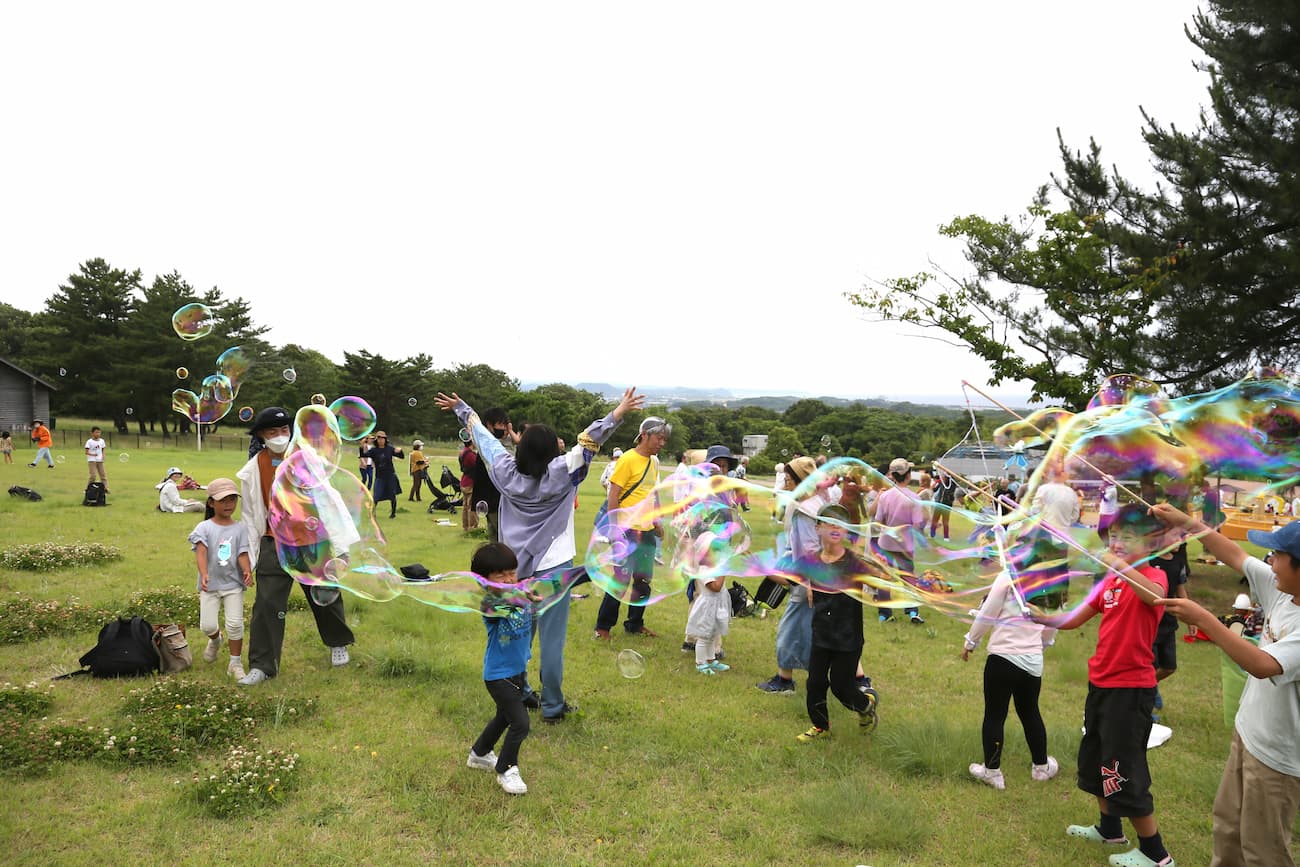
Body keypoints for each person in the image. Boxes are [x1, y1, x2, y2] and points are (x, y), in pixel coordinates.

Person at [437, 386, 641, 724]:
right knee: (552, 641)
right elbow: (590, 440)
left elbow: (485, 439)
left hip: (513, 569)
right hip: (554, 567)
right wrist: (618, 412)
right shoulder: (563, 472)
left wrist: (462, 407)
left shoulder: (504, 470)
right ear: (551, 452)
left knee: (518, 632)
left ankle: (520, 691)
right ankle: (552, 705)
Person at [1149, 505, 1300, 867]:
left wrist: (1205, 620)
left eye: (1278, 555)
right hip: (1248, 735)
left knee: (1264, 851)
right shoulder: (1283, 591)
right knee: (1228, 830)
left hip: (1278, 760)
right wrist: (1188, 524)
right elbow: (1233, 554)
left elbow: (1263, 665)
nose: (1270, 560)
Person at [1038, 504, 1174, 867]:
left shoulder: (1154, 575)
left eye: (1126, 538)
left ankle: (1156, 853)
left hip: (1131, 691)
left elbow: (1155, 597)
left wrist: (1123, 567)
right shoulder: (1110, 583)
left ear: (1151, 543)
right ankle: (1110, 829)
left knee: (1124, 765)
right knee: (1098, 756)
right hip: (1101, 684)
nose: (1116, 543)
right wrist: (1040, 617)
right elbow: (1072, 619)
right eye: (1113, 537)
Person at [236, 406, 354, 686]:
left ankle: (338, 642)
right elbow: (251, 515)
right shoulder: (254, 468)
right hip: (273, 541)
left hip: (314, 541)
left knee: (326, 595)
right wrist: (249, 556)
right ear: (262, 436)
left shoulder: (307, 460)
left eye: (284, 431)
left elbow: (330, 501)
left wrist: (342, 546)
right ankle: (262, 665)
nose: (280, 436)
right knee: (266, 604)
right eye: (273, 432)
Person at [963, 568, 1059, 789]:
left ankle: (992, 772)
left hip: (1002, 658)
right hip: (1032, 662)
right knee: (1030, 712)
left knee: (995, 715)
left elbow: (988, 612)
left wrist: (971, 642)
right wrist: (1040, 646)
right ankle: (1041, 767)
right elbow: (1051, 624)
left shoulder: (1008, 576)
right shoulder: (1052, 580)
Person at [794, 504, 880, 742]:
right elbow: (793, 577)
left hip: (848, 637)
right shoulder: (811, 560)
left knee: (842, 687)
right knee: (815, 683)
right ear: (817, 528)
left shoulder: (854, 563)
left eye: (841, 524)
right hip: (821, 633)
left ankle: (865, 706)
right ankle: (821, 727)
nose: (835, 527)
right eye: (829, 522)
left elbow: (881, 582)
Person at [464, 542, 534, 795]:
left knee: (504, 717)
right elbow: (510, 609)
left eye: (512, 572)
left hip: (516, 672)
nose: (509, 578)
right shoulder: (490, 604)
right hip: (498, 676)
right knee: (520, 723)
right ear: (485, 581)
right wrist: (528, 596)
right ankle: (506, 768)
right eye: (501, 575)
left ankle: (480, 753)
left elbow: (523, 605)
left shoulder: (518, 595)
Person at [593, 416, 670, 639]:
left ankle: (635, 623)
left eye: (664, 439)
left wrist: (656, 520)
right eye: (658, 438)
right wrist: (615, 529)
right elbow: (613, 494)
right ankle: (603, 627)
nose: (661, 443)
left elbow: (652, 493)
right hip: (626, 530)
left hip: (646, 531)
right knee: (621, 580)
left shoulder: (654, 462)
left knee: (643, 581)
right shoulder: (627, 459)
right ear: (644, 435)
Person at [188, 477, 253, 680]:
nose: (228, 504)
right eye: (223, 500)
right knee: (207, 626)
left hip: (233, 584)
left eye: (232, 500)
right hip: (211, 585)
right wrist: (204, 573)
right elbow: (201, 552)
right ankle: (216, 640)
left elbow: (242, 553)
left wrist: (247, 570)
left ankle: (235, 663)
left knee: (235, 624)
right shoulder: (204, 528)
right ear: (211, 503)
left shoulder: (240, 528)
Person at [871, 458, 924, 624]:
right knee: (909, 578)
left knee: (884, 577)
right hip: (905, 545)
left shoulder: (885, 496)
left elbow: (878, 520)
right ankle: (912, 611)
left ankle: (884, 613)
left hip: (885, 542)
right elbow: (917, 525)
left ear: (892, 475)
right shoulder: (914, 498)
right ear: (908, 475)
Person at [1026, 463, 1081, 609]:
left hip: (1045, 534)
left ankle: (1039, 599)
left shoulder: (1044, 489)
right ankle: (1061, 601)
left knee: (1040, 567)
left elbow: (1035, 511)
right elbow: (1075, 516)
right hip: (1063, 536)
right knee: (1060, 569)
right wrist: (1064, 523)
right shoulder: (1071, 493)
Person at [468, 408, 515, 542]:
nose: (504, 429)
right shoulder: (490, 450)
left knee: (494, 539)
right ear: (489, 425)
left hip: (491, 502)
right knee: (502, 539)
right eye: (501, 425)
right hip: (494, 501)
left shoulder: (489, 446)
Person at [362, 431, 405, 519]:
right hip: (380, 476)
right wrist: (363, 445)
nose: (381, 440)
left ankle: (393, 513)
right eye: (379, 438)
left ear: (385, 439)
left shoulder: (389, 449)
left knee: (392, 495)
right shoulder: (374, 450)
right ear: (377, 440)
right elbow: (364, 454)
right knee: (376, 496)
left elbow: (401, 456)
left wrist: (400, 451)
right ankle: (372, 513)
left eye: (382, 438)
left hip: (390, 475)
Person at [458, 432, 478, 531]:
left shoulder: (462, 452)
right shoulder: (470, 455)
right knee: (472, 506)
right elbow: (477, 466)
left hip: (464, 481)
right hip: (470, 482)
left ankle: (465, 526)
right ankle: (473, 527)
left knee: (465, 506)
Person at [84, 426, 107, 490]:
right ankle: (88, 488)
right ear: (92, 433)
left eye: (99, 432)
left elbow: (103, 449)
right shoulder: (89, 442)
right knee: (93, 476)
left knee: (103, 475)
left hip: (100, 460)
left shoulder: (102, 441)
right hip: (92, 460)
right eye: (96, 432)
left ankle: (105, 488)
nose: (98, 434)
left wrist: (103, 455)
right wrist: (93, 454)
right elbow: (86, 452)